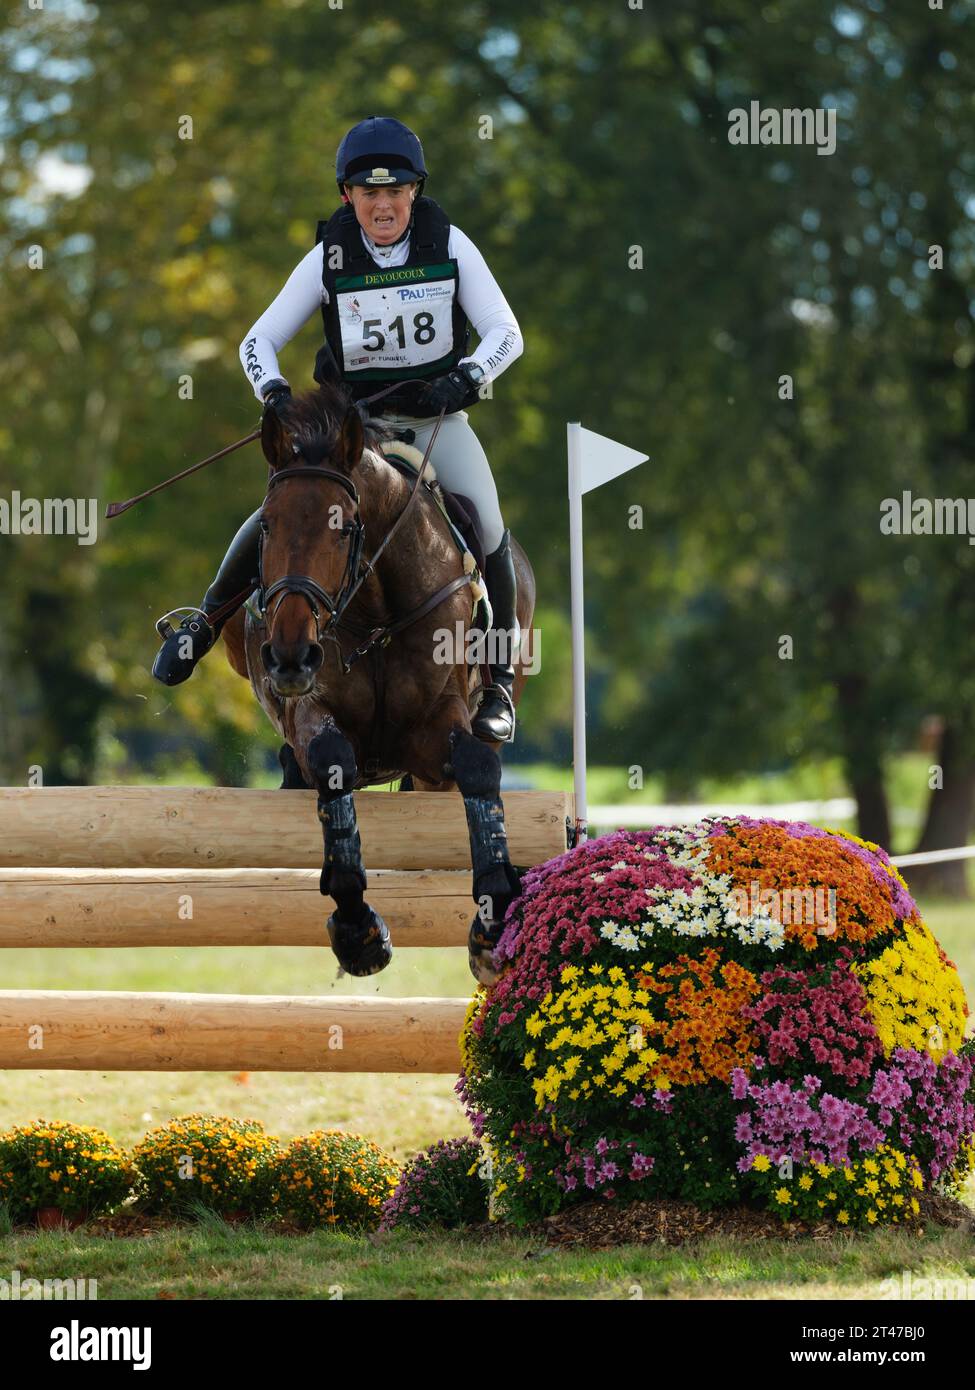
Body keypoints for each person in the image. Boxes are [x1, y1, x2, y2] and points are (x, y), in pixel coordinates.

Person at [152, 115, 524, 743]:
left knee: (487, 527)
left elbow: (506, 334)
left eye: (396, 191)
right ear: (347, 196)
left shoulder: (451, 244)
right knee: (288, 512)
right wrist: (271, 389)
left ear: (416, 192)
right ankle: (205, 622)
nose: (383, 204)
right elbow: (259, 341)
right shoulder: (327, 257)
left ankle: (500, 684)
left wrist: (466, 376)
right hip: (355, 432)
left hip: (437, 421)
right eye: (369, 192)